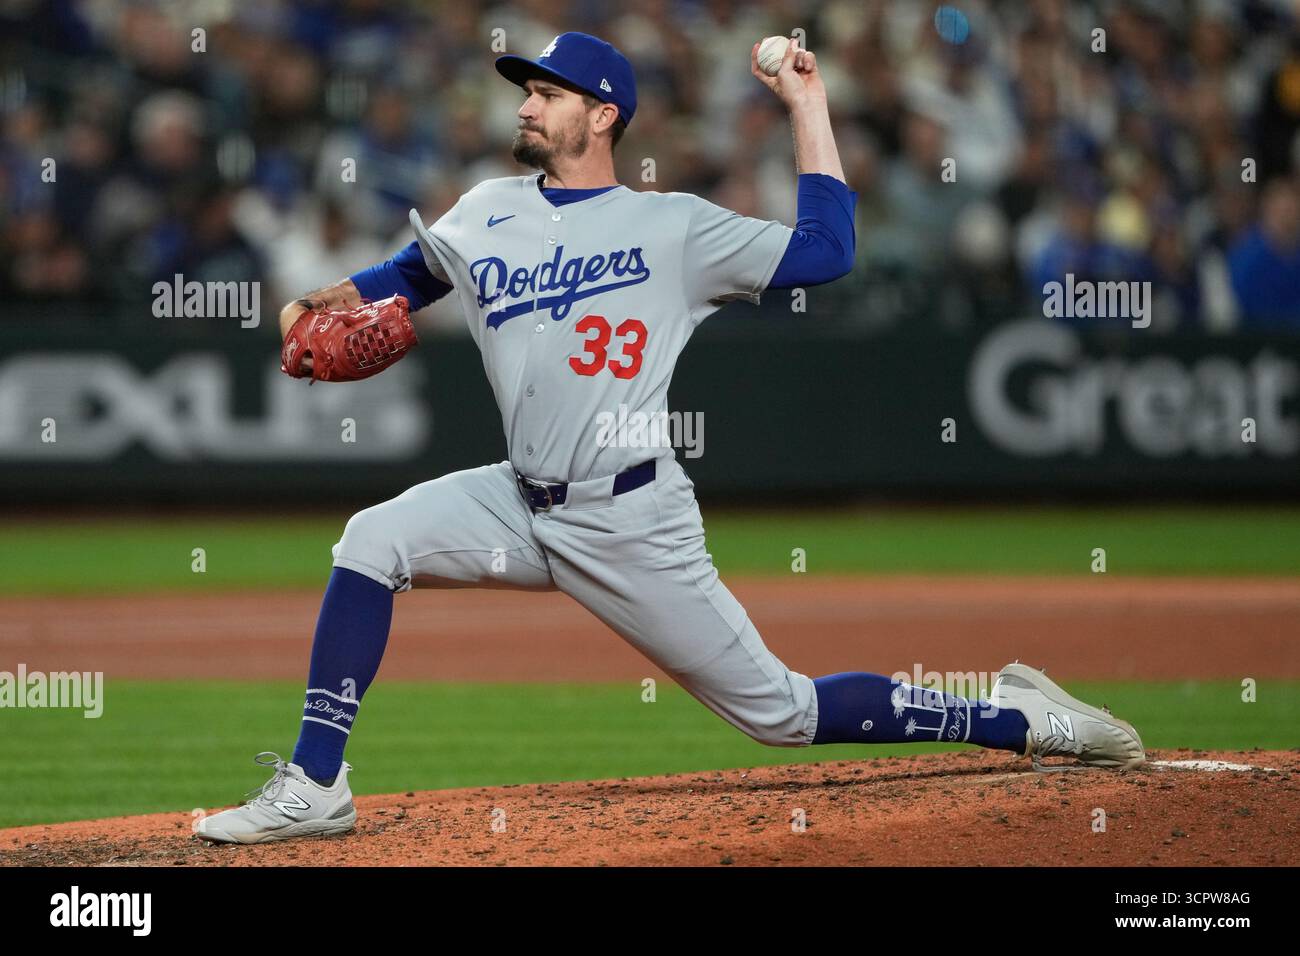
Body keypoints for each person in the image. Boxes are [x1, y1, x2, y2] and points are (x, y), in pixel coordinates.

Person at [196, 32, 1144, 845]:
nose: (526, 106)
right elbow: (406, 277)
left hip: (629, 516)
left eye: (545, 93)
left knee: (783, 713)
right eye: (526, 91)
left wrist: (807, 103)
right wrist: (327, 302)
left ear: (602, 115)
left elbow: (828, 252)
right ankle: (318, 785)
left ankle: (1021, 717)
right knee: (373, 539)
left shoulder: (674, 229)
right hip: (514, 501)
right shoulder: (487, 207)